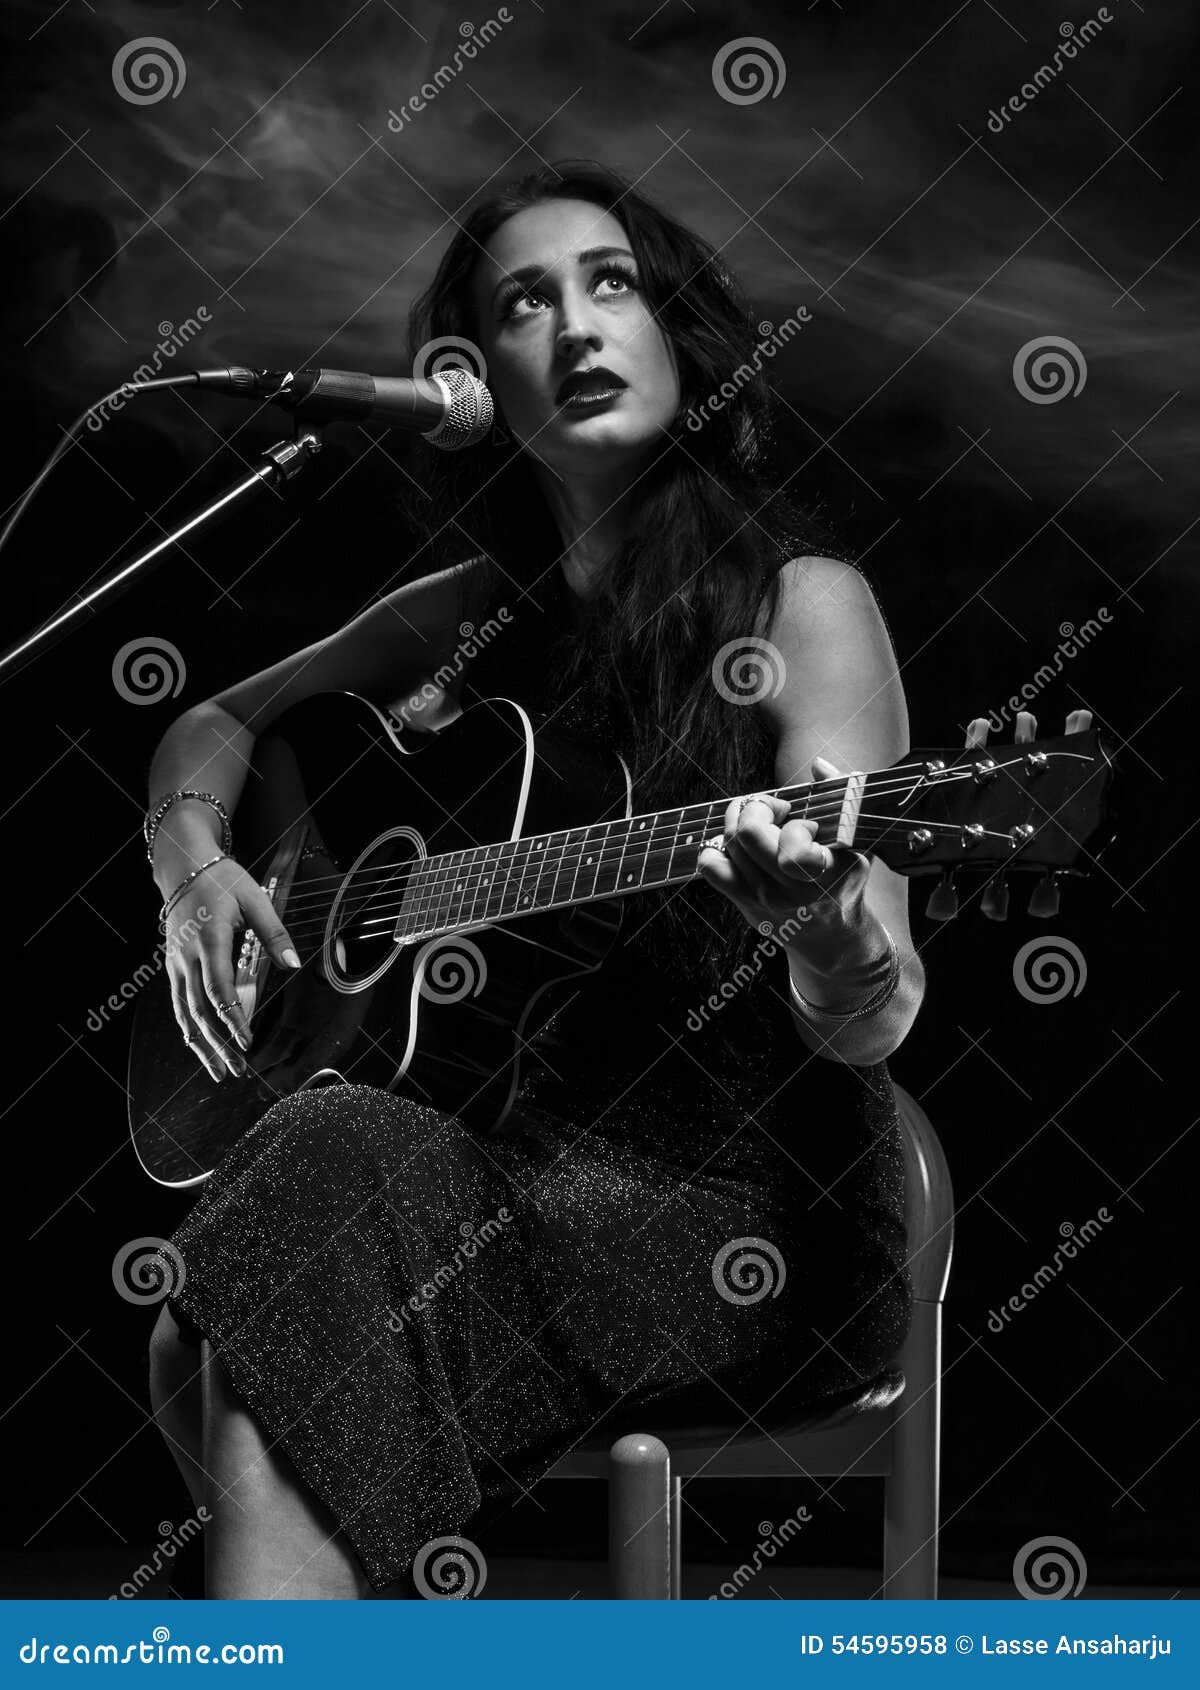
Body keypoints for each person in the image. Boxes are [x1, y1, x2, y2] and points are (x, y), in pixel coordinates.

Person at [146, 158, 925, 1600]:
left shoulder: (799, 604)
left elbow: (877, 1008)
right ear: (476, 376)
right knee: (243, 1263)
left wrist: (822, 929)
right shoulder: (465, 619)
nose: (575, 328)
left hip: (747, 1214)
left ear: (679, 333)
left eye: (611, 283)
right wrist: (193, 863)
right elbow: (208, 724)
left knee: (251, 1266)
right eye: (524, 303)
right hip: (507, 1183)